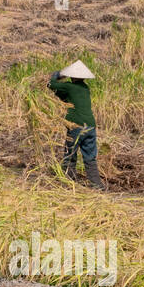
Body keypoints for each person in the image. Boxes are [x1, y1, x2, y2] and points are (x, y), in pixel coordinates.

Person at [47, 59, 106, 190]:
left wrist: (56, 75)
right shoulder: (85, 88)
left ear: (72, 76)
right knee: (90, 157)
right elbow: (67, 97)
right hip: (90, 126)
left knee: (70, 153)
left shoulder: (69, 86)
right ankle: (97, 185)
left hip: (76, 125)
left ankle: (68, 182)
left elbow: (50, 84)